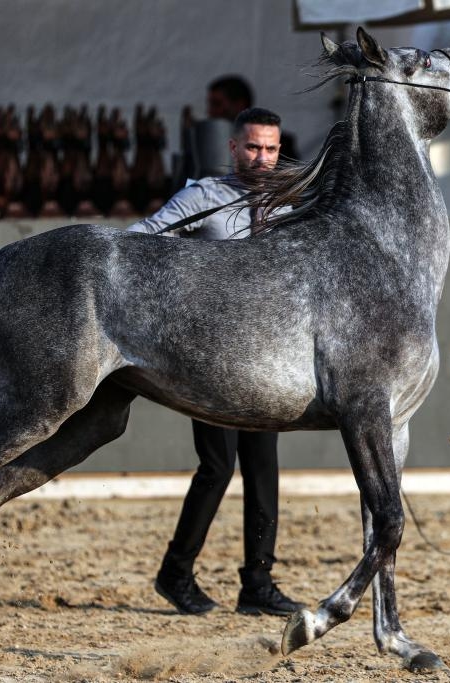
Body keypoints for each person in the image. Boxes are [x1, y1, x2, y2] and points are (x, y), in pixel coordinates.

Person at [128, 107, 304, 617]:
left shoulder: (289, 204)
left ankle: (258, 584)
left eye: (271, 148)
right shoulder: (204, 196)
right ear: (233, 148)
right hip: (212, 360)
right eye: (253, 147)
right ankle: (175, 572)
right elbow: (140, 239)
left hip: (268, 358)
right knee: (218, 466)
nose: (263, 158)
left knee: (263, 469)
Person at [208, 75, 299, 161]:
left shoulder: (283, 144)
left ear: (239, 105)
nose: (210, 111)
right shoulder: (210, 142)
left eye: (217, 104)